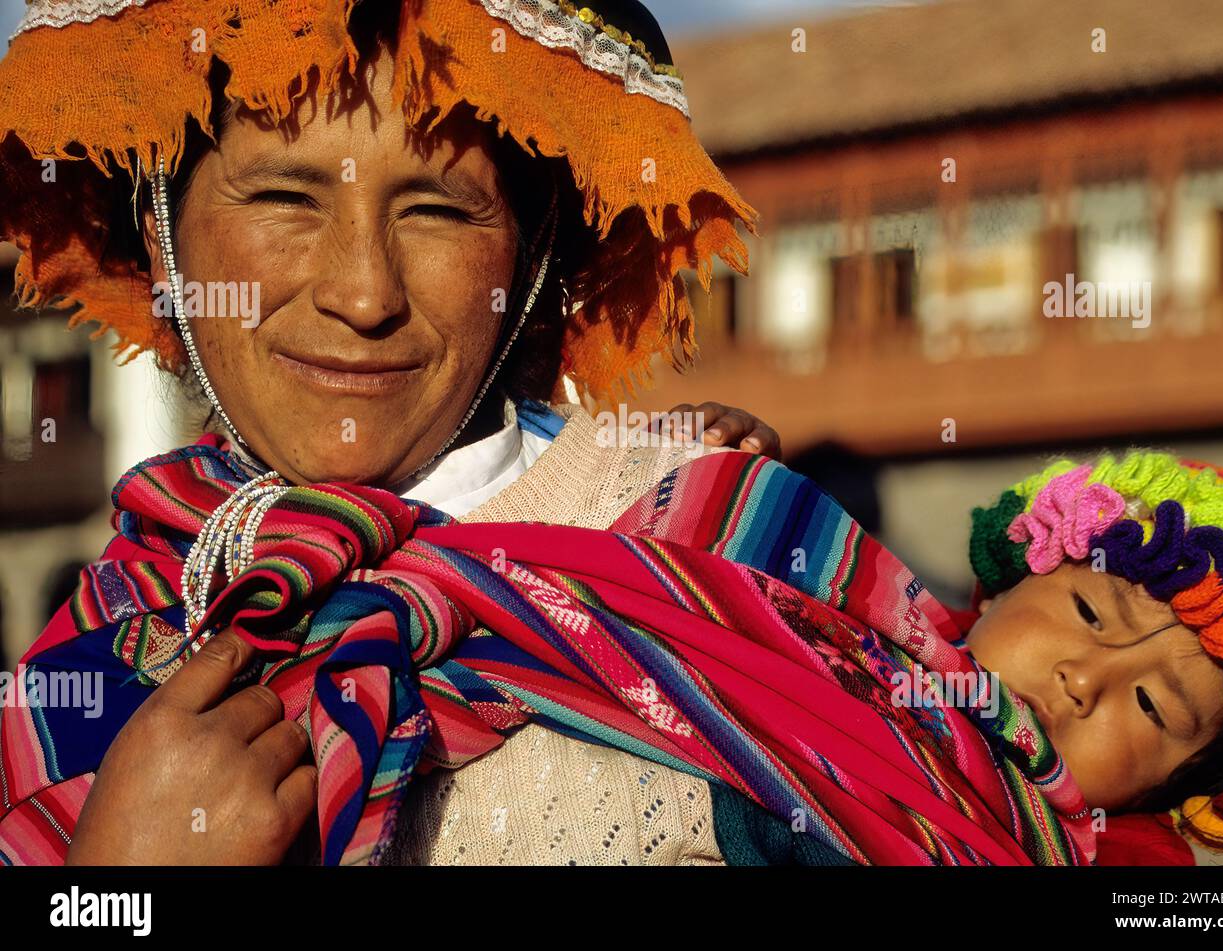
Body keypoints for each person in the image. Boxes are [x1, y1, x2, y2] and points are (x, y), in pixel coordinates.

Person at [0, 0, 776, 865]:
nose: (365, 297)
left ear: (531, 253)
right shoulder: (115, 619)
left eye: (438, 210)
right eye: (286, 197)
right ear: (161, 237)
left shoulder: (718, 570)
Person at [965, 451, 1223, 864]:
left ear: (1178, 792)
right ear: (1004, 588)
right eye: (1088, 612)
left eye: (1149, 704)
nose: (1084, 681)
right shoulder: (868, 622)